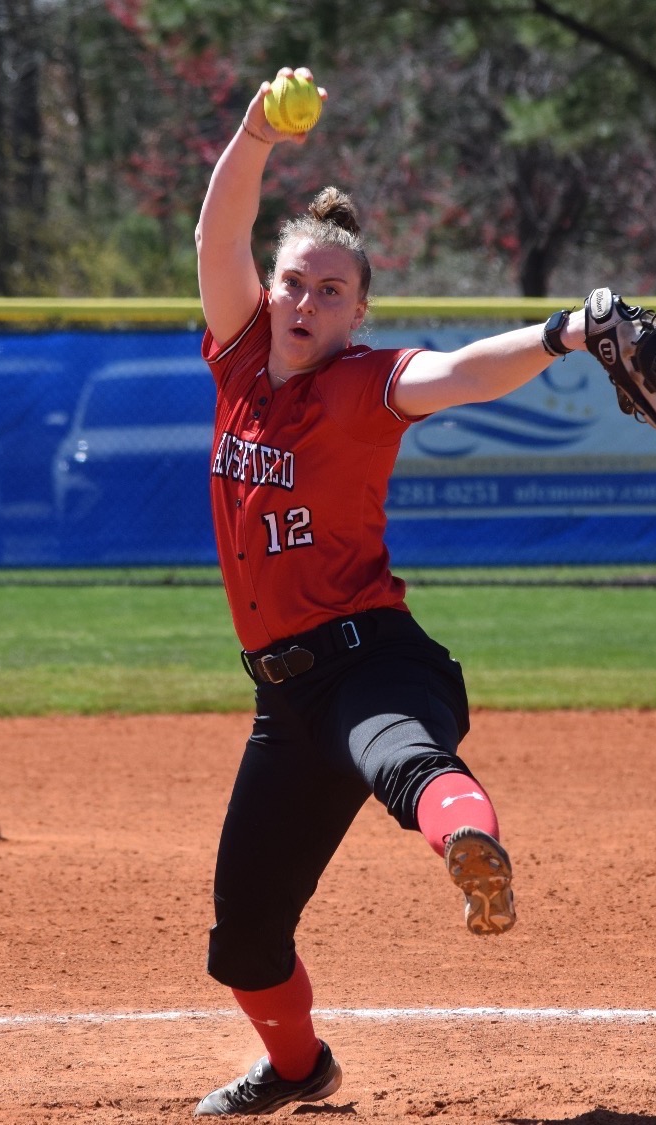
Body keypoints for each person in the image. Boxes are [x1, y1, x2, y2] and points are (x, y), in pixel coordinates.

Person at [190, 68, 594, 1117]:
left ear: (357, 311)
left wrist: (566, 334)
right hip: (283, 703)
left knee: (403, 758)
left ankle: (472, 850)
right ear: (267, 291)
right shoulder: (239, 366)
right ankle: (297, 1070)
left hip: (371, 660)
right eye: (292, 283)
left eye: (331, 292)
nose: (304, 302)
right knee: (242, 943)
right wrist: (251, 133)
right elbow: (216, 234)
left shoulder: (367, 385)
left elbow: (463, 372)